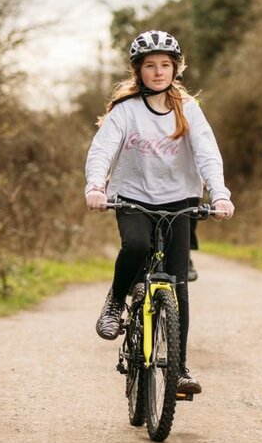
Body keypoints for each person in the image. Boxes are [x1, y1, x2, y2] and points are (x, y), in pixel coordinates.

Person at [85, 30, 234, 395]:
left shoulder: (188, 109)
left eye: (165, 65)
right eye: (150, 66)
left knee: (179, 285)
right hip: (133, 198)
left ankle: (179, 370)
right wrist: (95, 186)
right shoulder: (126, 110)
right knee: (135, 246)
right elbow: (102, 149)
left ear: (176, 69)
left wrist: (219, 195)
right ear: (138, 71)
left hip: (179, 200)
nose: (158, 72)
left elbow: (207, 153)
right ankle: (115, 302)